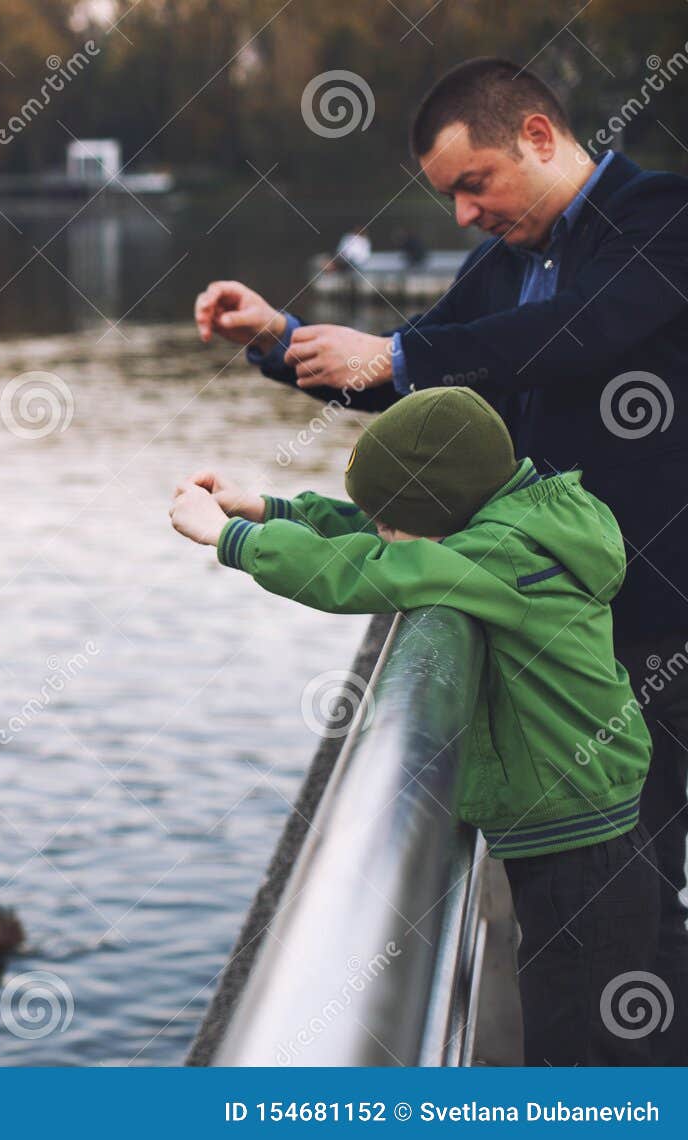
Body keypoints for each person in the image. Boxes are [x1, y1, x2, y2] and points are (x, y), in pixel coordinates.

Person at [192, 57, 688, 1063]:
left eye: (476, 184)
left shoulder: (660, 216)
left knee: (627, 899)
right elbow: (429, 372)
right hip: (559, 625)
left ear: (539, 138)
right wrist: (282, 337)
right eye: (449, 196)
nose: (463, 215)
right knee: (614, 896)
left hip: (655, 620)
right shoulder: (509, 257)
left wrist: (403, 357)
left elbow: (578, 335)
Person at [171, 387, 657, 1065]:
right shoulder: (517, 517)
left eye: (395, 517)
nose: (384, 530)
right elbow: (395, 535)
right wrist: (273, 506)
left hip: (579, 856)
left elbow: (364, 569)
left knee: (579, 1054)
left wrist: (232, 537)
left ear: (440, 515)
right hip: (591, 831)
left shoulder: (497, 555)